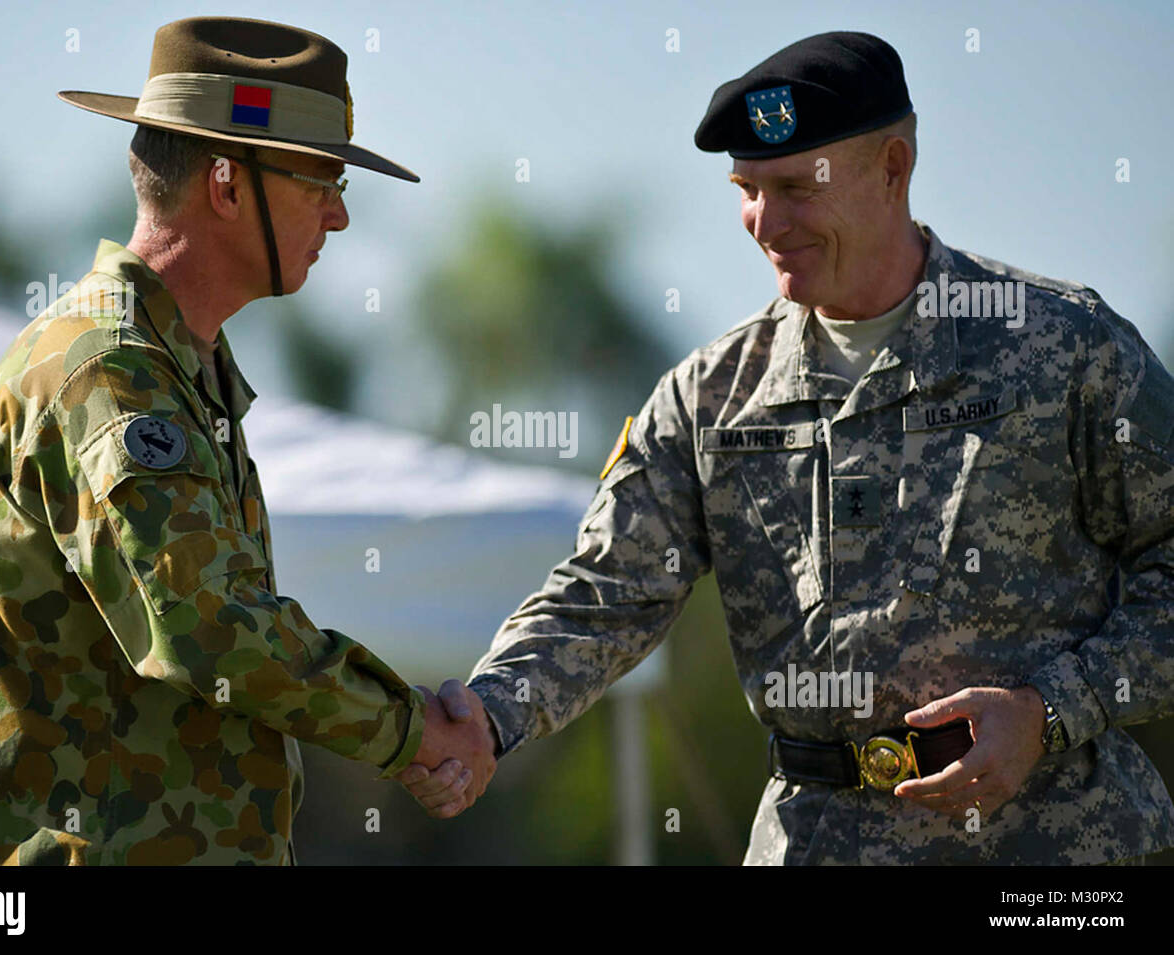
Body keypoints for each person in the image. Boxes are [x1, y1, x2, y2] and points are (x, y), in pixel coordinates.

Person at [402, 31, 1174, 864]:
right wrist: (486, 714)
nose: (766, 223)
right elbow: (606, 591)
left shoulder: (1066, 350)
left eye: (798, 187)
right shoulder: (709, 399)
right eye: (747, 189)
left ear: (893, 166)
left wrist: (1050, 709)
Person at [0, 16, 493, 866]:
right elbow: (212, 628)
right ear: (229, 185)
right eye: (321, 179)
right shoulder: (108, 370)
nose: (340, 216)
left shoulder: (167, 365)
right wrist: (414, 731)